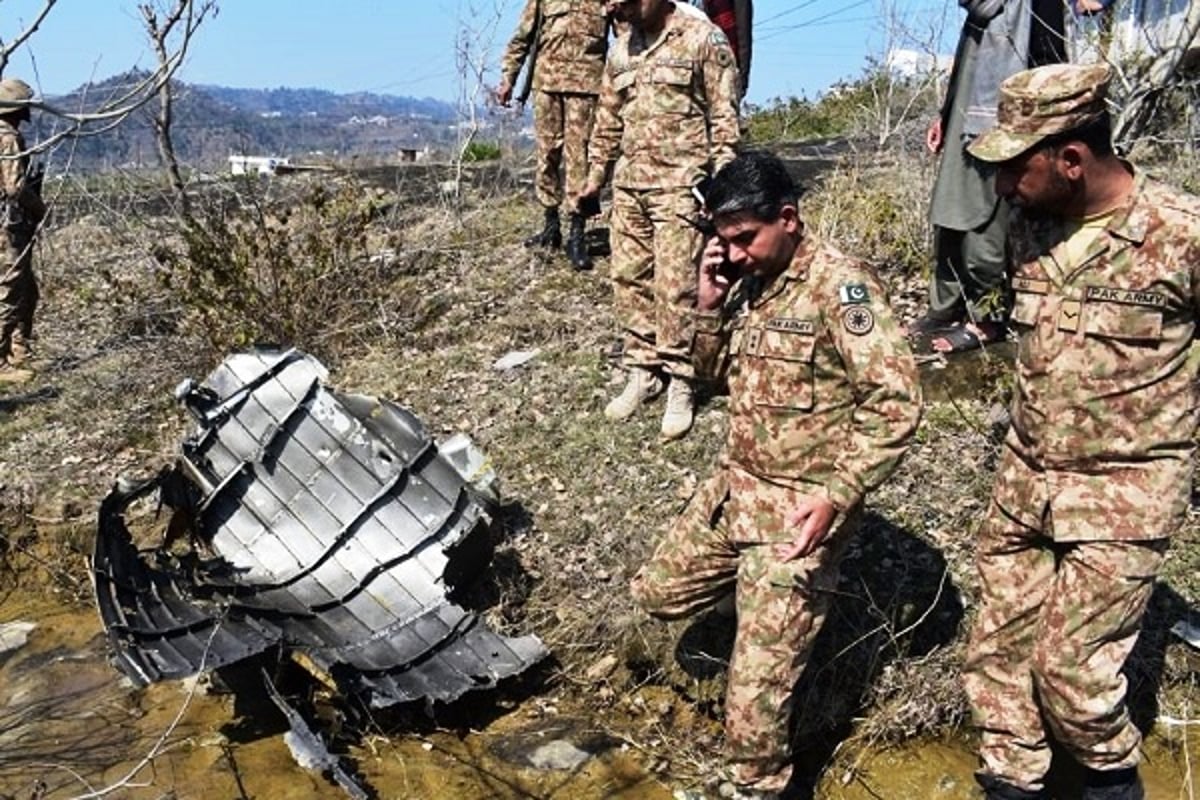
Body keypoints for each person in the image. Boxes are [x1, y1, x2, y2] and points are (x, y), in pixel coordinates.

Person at [631, 151, 922, 797]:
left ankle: (759, 782)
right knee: (656, 596)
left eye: (743, 238)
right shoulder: (751, 281)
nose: (732, 252)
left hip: (799, 512)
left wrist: (838, 495)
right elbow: (706, 379)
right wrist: (707, 302)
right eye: (722, 240)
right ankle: (764, 611)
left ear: (787, 218)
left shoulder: (842, 286)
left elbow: (897, 403)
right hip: (736, 489)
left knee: (753, 704)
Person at [961, 62, 1200, 800]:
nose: (1001, 187)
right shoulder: (1031, 225)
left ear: (1072, 158)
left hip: (1125, 489)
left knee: (1071, 672)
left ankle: (1108, 788)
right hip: (1026, 480)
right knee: (996, 658)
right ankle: (1013, 787)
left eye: (1014, 168)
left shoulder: (1180, 234)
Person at [580, 0, 740, 440]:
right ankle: (642, 368)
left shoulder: (701, 37)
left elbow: (725, 114)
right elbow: (608, 119)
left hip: (680, 185)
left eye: (629, 4)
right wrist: (596, 177)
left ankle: (681, 380)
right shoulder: (621, 47)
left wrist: (723, 185)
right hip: (630, 186)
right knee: (628, 277)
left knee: (676, 285)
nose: (622, 13)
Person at [911, 0, 1067, 354]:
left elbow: (1048, 66)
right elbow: (967, 63)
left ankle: (987, 317)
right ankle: (945, 305)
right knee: (950, 207)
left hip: (1002, 125)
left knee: (987, 218)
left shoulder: (1034, 6)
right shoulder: (979, 13)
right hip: (964, 122)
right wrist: (945, 115)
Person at [496, 0, 610, 270]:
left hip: (586, 86)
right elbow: (522, 36)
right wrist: (508, 78)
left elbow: (629, 30)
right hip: (546, 85)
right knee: (547, 154)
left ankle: (577, 234)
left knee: (579, 158)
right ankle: (551, 227)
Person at [0, 77, 43, 384]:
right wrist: (40, 206)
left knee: (27, 288)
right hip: (9, 225)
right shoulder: (8, 138)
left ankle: (19, 350)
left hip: (8, 223)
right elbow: (15, 187)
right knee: (10, 291)